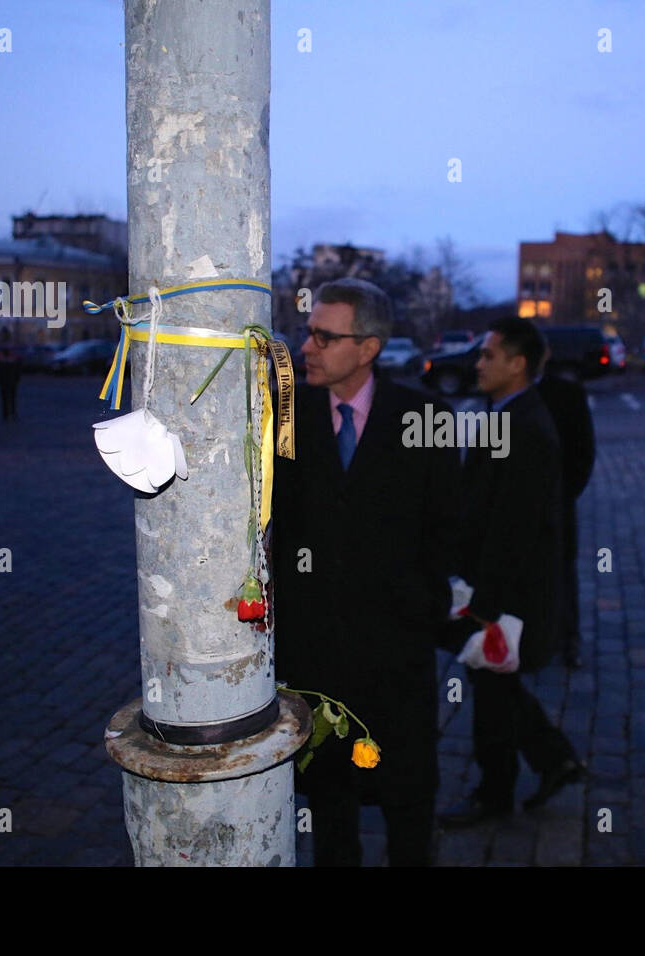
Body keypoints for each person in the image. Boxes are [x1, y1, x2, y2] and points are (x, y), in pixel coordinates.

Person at [273, 277, 460, 867]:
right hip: (314, 651)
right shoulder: (287, 415)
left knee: (408, 794)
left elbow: (445, 529)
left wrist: (424, 608)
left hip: (397, 648)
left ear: (370, 347)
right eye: (309, 334)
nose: (308, 347)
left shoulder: (424, 416)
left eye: (326, 337)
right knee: (329, 801)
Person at [438, 317, 585, 827]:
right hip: (497, 588)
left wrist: (484, 604)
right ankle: (553, 760)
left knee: (492, 694)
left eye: (488, 356)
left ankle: (494, 794)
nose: (477, 365)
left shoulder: (524, 426)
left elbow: (512, 528)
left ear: (517, 364)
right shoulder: (510, 414)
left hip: (507, 595)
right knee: (493, 687)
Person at [535, 358, 596, 668]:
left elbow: (583, 451)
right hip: (516, 507)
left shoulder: (566, 394)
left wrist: (562, 495)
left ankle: (568, 638)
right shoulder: (502, 393)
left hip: (557, 504)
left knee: (561, 574)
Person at [0, 348, 22, 422]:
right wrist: (17, 380)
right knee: (12, 399)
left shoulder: (0, 362)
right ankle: (12, 413)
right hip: (12, 382)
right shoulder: (13, 362)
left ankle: (5, 414)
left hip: (4, 383)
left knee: (4, 399)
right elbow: (17, 373)